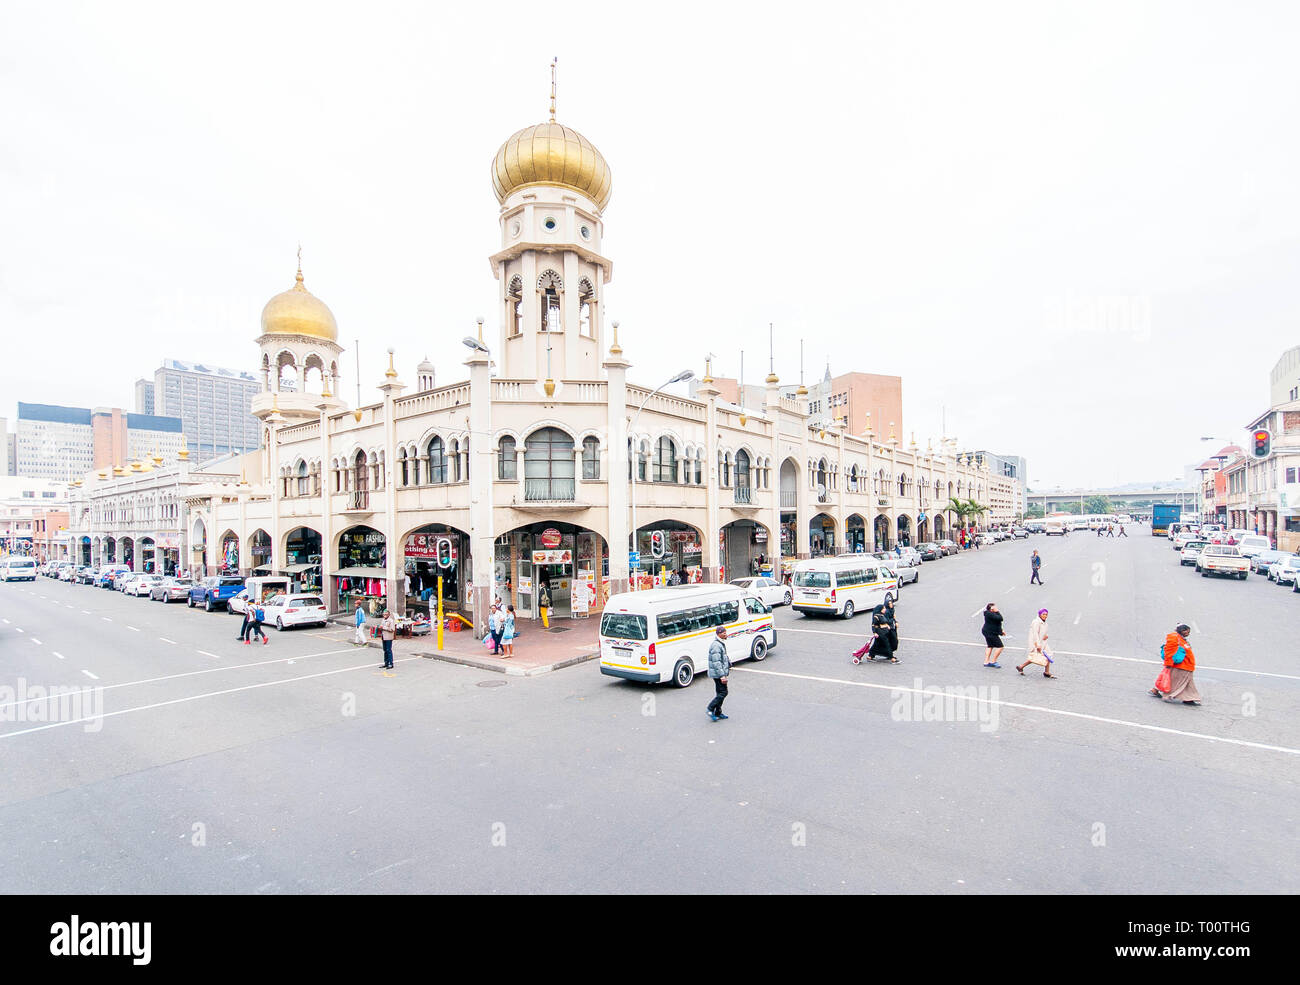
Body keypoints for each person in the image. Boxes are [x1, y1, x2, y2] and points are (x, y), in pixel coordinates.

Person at [1152, 623, 1201, 705]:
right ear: (1182, 631)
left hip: (1184, 666)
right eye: (1187, 632)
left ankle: (1156, 690)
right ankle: (1186, 698)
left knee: (1172, 681)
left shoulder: (1180, 639)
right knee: (1180, 683)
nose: (1188, 634)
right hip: (1181, 667)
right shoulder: (1175, 639)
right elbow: (1169, 652)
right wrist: (1168, 664)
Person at [1016, 608, 1055, 678]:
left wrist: (1045, 636)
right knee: (1036, 656)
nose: (1045, 616)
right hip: (1037, 643)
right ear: (1040, 614)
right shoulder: (1036, 622)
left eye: (1046, 614)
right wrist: (1037, 644)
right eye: (1043, 614)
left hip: (1043, 642)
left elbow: (1043, 632)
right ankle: (1021, 666)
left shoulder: (1044, 622)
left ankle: (1046, 671)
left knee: (1048, 655)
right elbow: (1035, 634)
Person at [706, 625, 730, 721]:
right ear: (719, 634)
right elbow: (716, 663)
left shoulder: (719, 643)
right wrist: (722, 676)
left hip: (718, 673)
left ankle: (718, 712)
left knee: (720, 692)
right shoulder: (716, 645)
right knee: (724, 692)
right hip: (718, 674)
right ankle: (710, 708)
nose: (726, 634)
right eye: (724, 633)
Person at [981, 602, 1006, 667]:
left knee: (990, 646)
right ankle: (993, 661)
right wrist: (997, 611)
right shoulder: (990, 614)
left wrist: (1001, 631)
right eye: (995, 608)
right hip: (990, 633)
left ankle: (986, 661)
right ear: (991, 609)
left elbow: (996, 624)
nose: (996, 608)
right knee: (1000, 646)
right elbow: (1000, 619)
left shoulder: (989, 613)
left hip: (987, 631)